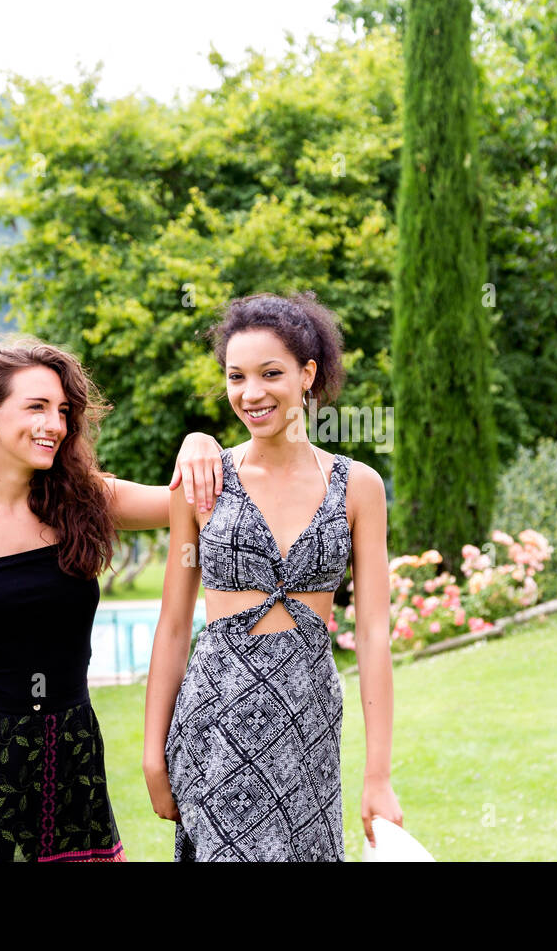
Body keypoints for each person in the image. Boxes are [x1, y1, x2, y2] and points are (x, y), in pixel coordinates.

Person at [0, 336, 226, 862]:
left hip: (70, 751)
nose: (54, 424)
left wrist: (198, 441)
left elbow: (187, 497)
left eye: (62, 410)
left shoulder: (86, 499)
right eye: (36, 407)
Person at [143, 291, 402, 861]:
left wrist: (378, 774)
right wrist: (150, 751)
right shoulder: (203, 480)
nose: (251, 392)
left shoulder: (358, 486)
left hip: (308, 719)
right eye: (236, 376)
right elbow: (172, 627)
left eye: (270, 373)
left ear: (307, 375)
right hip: (216, 721)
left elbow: (375, 633)